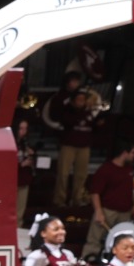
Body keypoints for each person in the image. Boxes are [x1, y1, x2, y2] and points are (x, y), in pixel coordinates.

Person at [46, 70, 98, 207]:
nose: (76, 83)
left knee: (81, 174)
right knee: (63, 173)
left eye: (77, 81)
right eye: (73, 80)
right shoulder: (61, 98)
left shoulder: (86, 100)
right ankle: (59, 199)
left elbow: (94, 120)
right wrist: (75, 108)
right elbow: (59, 117)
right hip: (68, 142)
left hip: (84, 143)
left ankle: (78, 198)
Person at [83, 142, 134, 256]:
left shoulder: (129, 169)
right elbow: (95, 193)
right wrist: (99, 212)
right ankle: (87, 261)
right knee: (94, 240)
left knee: (122, 240)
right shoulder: (105, 169)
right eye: (133, 152)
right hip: (108, 210)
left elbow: (130, 189)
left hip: (125, 212)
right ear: (124, 153)